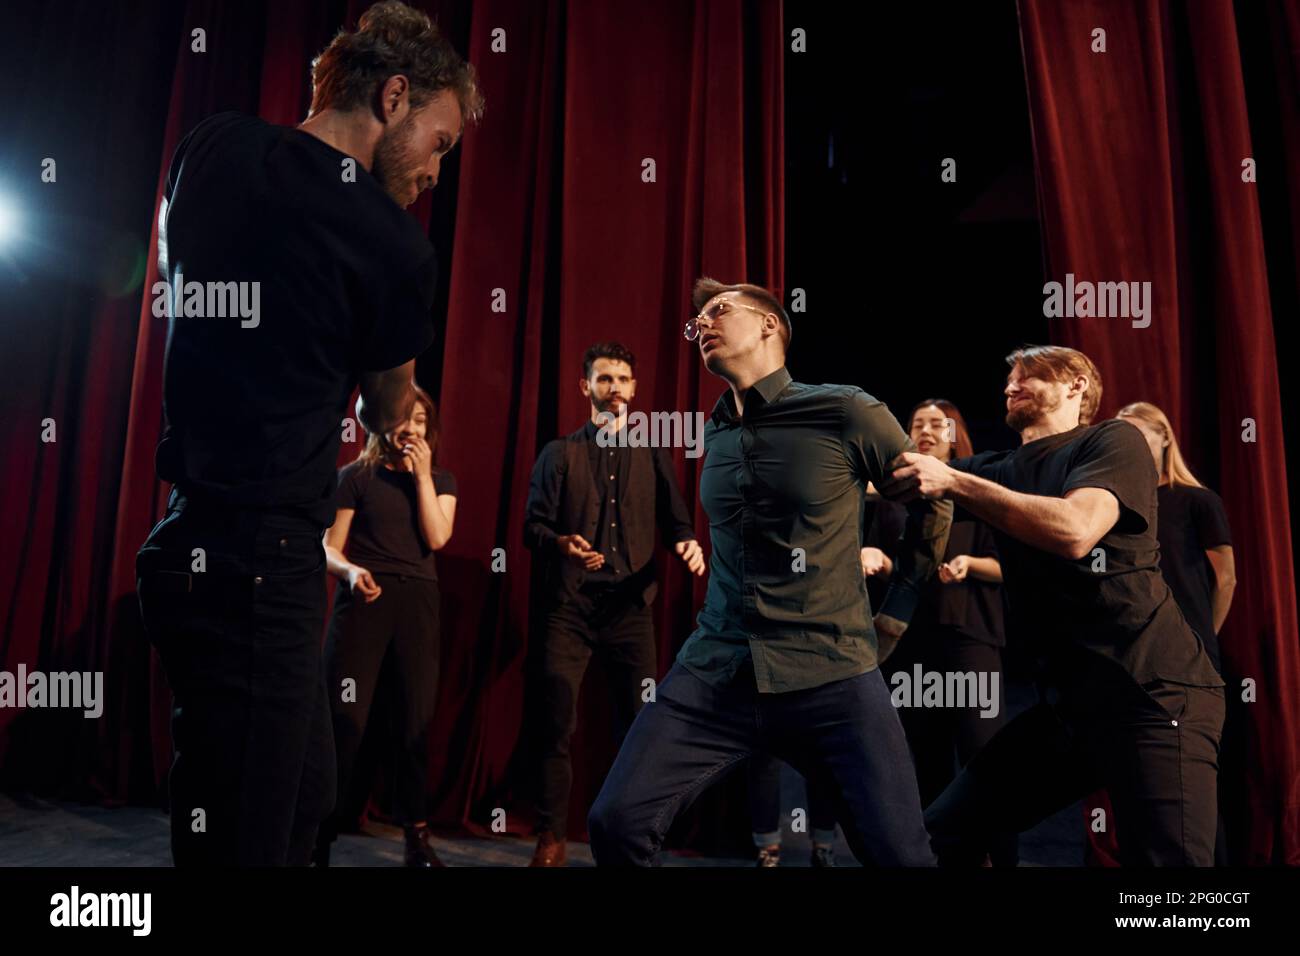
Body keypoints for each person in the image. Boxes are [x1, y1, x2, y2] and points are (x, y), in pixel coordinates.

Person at [134, 1, 482, 865]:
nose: (437, 174)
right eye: (440, 145)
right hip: (263, 563)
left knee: (303, 800)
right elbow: (387, 412)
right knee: (249, 834)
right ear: (395, 97)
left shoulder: (210, 145)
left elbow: (173, 275)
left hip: (188, 540)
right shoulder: (394, 246)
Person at [587, 278, 952, 866]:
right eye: (696, 320)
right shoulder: (717, 429)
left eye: (719, 311)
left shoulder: (847, 410)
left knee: (903, 857)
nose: (701, 324)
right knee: (615, 822)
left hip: (832, 672)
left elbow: (934, 500)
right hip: (718, 670)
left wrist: (896, 616)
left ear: (769, 325)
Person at [883, 345, 1225, 866]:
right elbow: (890, 479)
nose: (1011, 386)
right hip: (1069, 712)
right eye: (1009, 378)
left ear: (1076, 386)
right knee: (940, 834)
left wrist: (952, 479)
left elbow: (1075, 530)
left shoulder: (1112, 441)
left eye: (1030, 376)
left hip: (1154, 697)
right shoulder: (1002, 467)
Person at [523, 342, 705, 866]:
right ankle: (551, 837)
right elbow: (532, 527)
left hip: (631, 611)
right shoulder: (559, 454)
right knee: (556, 723)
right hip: (570, 611)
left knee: (642, 725)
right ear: (586, 387)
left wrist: (687, 544)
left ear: (635, 390)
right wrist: (562, 544)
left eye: (624, 380)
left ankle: (633, 837)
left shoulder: (652, 454)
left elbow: (677, 524)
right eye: (605, 379)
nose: (616, 389)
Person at [315, 386, 457, 867]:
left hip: (417, 603)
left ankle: (416, 837)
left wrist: (421, 478)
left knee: (415, 720)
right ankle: (318, 838)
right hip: (364, 602)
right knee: (344, 720)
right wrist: (351, 572)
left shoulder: (441, 479)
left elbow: (437, 536)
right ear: (381, 425)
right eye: (402, 421)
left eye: (419, 421)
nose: (411, 430)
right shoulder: (355, 476)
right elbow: (328, 547)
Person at [873, 399, 1016, 866]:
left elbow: (1007, 566)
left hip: (969, 636)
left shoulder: (978, 488)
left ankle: (999, 858)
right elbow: (891, 562)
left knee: (984, 754)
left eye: (939, 424)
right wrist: (878, 561)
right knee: (926, 760)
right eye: (918, 424)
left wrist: (970, 564)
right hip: (912, 640)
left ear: (956, 435)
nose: (927, 431)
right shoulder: (895, 499)